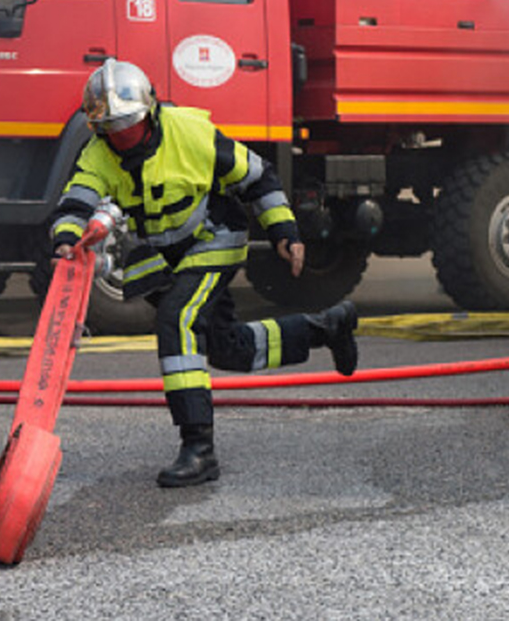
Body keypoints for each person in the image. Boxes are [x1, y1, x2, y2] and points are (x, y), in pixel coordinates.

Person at [48, 59, 359, 488]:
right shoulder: (99, 152)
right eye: (111, 131)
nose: (122, 139)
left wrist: (285, 230)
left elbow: (258, 176)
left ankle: (199, 449)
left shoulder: (189, 134)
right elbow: (75, 203)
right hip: (165, 252)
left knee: (177, 319)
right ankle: (326, 328)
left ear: (150, 114)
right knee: (227, 349)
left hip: (214, 237)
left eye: (129, 128)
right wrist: (65, 240)